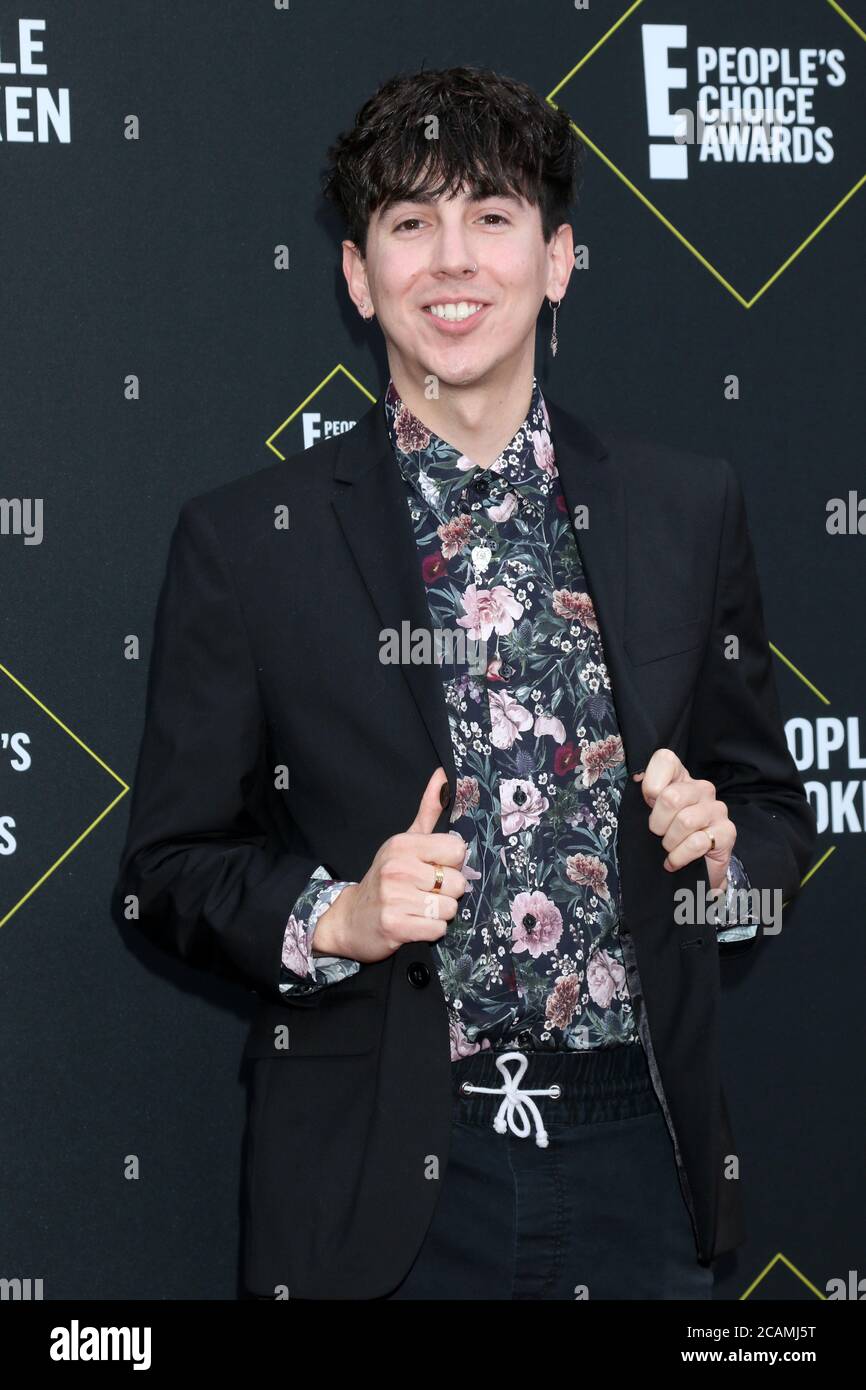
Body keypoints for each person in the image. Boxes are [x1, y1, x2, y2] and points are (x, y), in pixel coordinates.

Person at [111, 65, 817, 1301]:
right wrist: (335, 917)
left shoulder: (684, 509)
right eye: (407, 222)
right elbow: (166, 870)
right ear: (354, 274)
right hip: (378, 1175)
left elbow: (767, 820)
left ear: (556, 261)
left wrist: (720, 871)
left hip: (638, 1158)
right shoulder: (245, 541)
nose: (451, 261)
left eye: (490, 217)